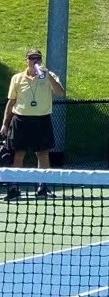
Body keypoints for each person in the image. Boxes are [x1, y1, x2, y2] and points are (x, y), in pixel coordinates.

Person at [3, 49, 65, 201]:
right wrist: (5, 123)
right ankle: (14, 187)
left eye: (37, 58)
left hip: (42, 120)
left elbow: (60, 92)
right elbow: (11, 102)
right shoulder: (17, 78)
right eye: (32, 58)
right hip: (21, 120)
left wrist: (47, 75)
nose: (35, 61)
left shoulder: (49, 76)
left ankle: (42, 186)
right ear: (26, 60)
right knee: (18, 154)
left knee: (43, 154)